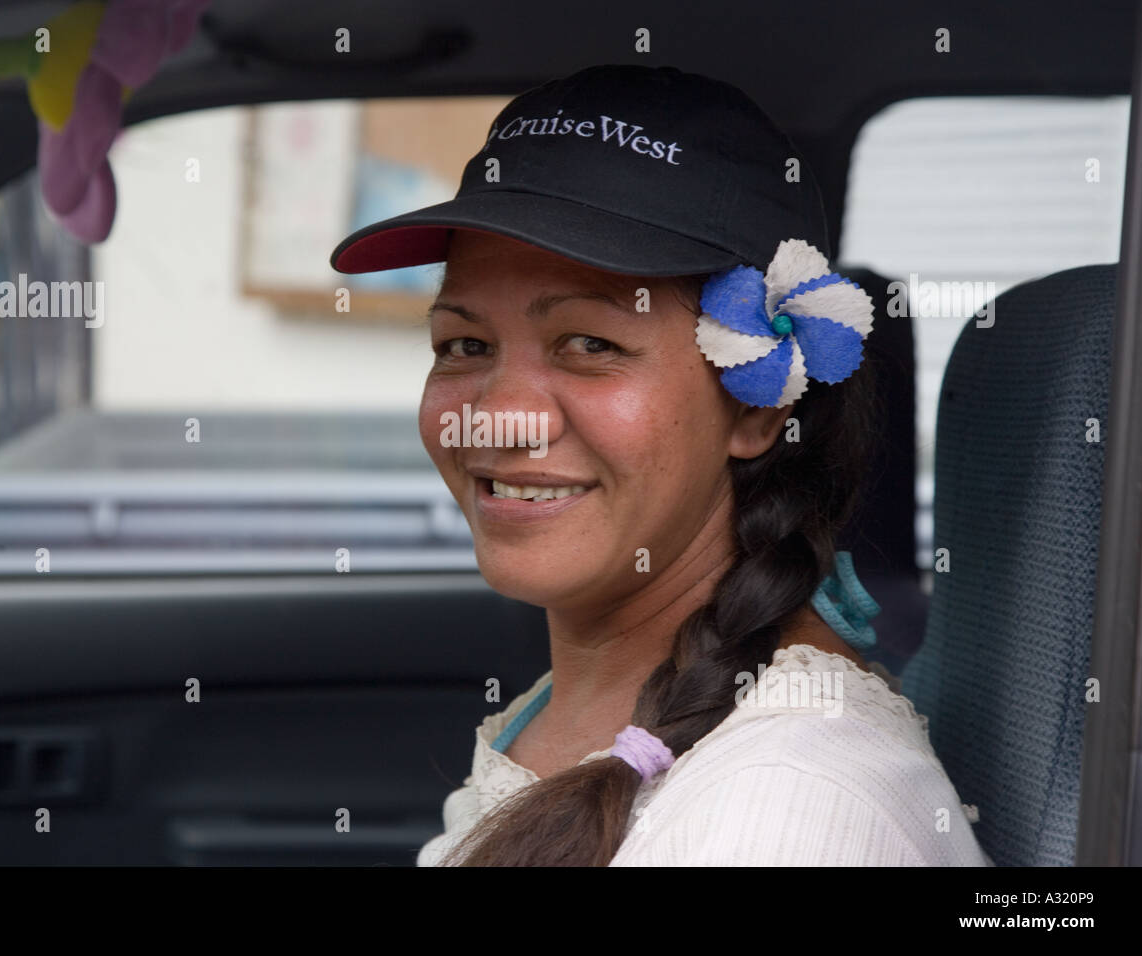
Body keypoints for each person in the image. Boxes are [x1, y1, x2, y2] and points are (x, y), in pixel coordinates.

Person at [329, 63, 989, 867]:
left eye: (589, 344)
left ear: (756, 407)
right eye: (464, 344)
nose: (498, 417)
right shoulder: (573, 709)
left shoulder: (784, 812)